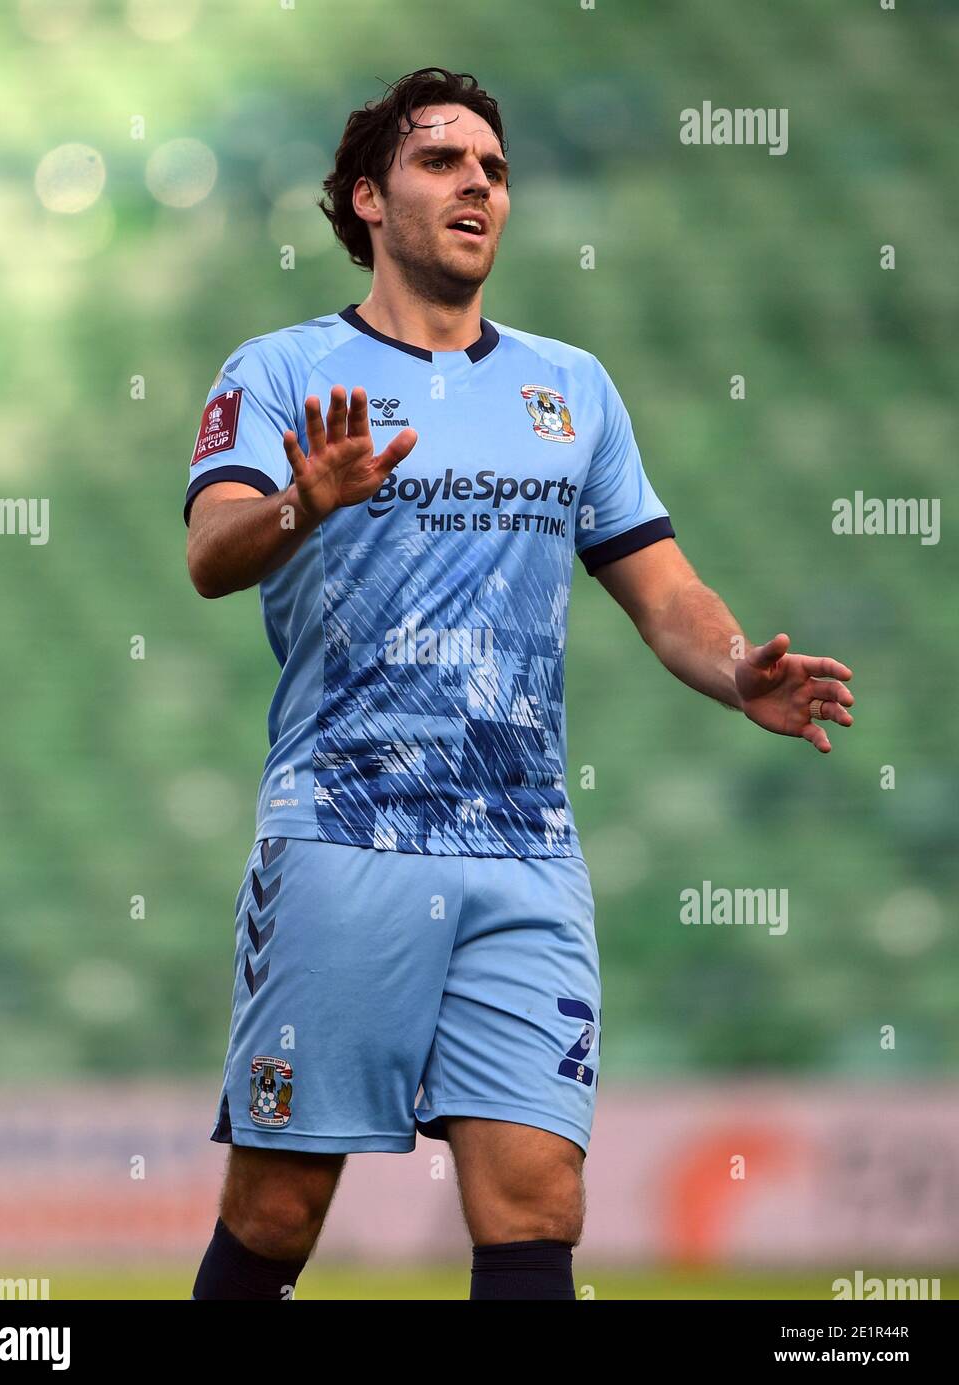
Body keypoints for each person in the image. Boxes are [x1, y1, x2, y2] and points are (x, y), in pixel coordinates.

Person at [184, 67, 854, 1301]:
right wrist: (301, 501)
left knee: (536, 1200)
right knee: (279, 1206)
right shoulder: (281, 368)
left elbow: (663, 591)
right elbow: (209, 556)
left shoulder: (571, 389)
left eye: (493, 169)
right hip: (344, 832)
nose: (477, 185)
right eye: (442, 162)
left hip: (524, 846)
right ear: (365, 199)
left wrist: (732, 667)